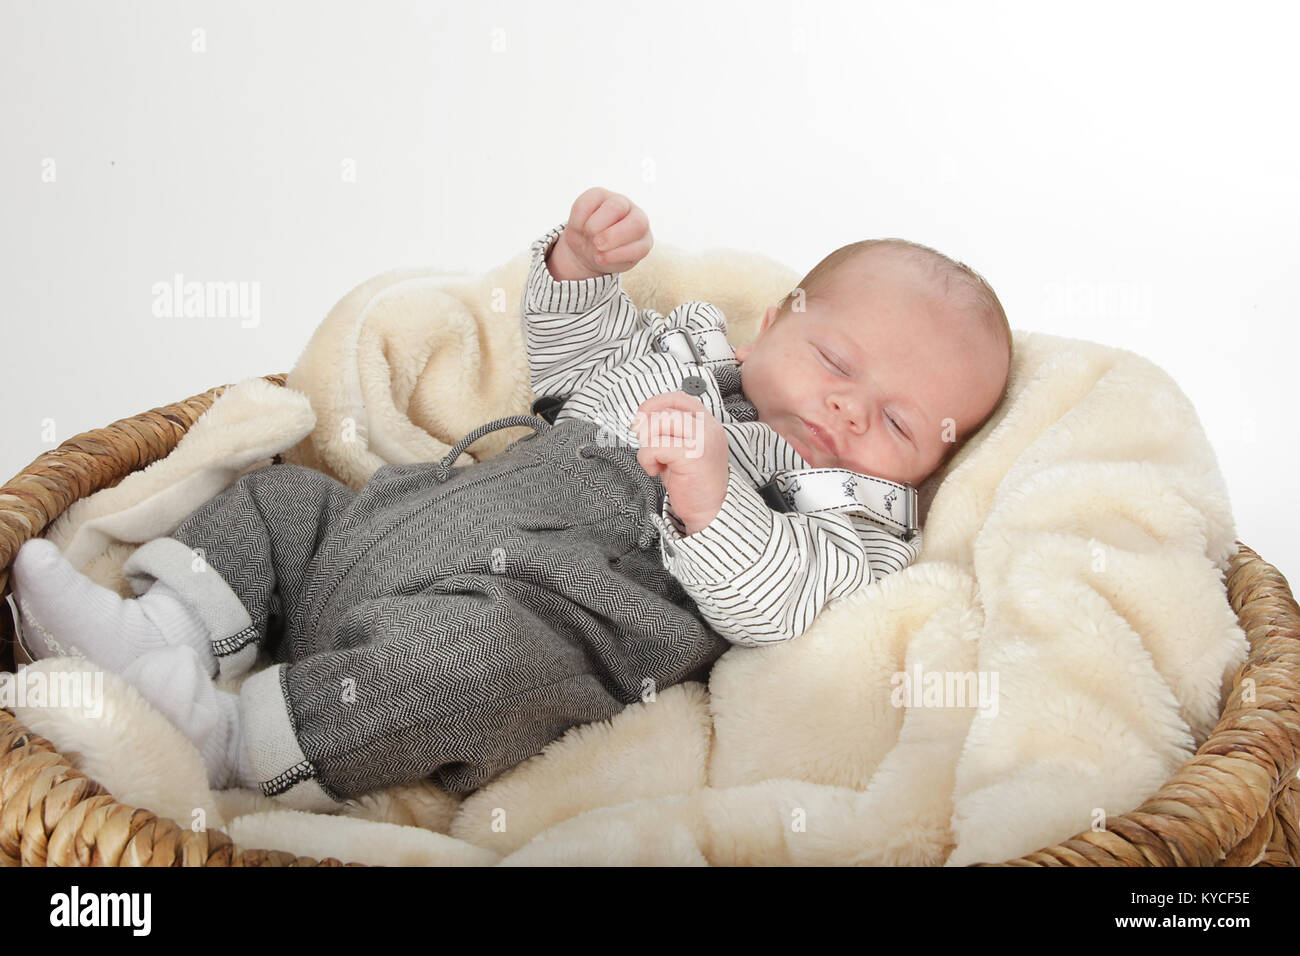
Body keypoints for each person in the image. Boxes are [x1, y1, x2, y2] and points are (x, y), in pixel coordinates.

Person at [8, 187, 1012, 811]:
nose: (847, 408)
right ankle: (161, 629)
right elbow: (568, 381)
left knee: (466, 672)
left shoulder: (859, 519)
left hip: (548, 605)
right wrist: (576, 270)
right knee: (283, 497)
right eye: (837, 359)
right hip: (418, 516)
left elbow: (783, 602)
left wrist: (714, 493)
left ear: (930, 463)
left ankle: (231, 738)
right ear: (765, 326)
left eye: (897, 425)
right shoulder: (689, 348)